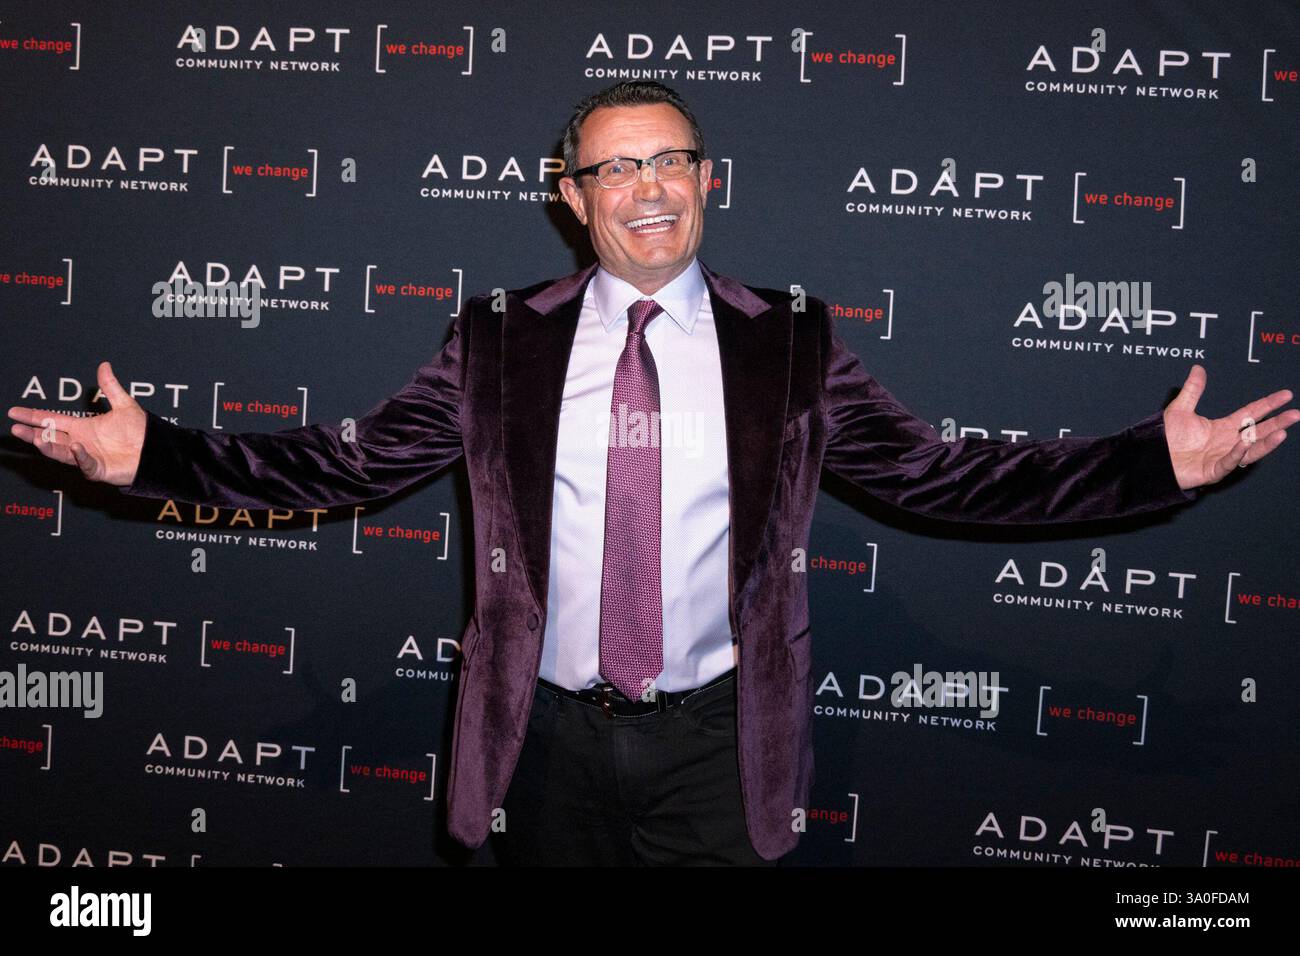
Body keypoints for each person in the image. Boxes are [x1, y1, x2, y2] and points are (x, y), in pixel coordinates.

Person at [7, 80, 1297, 866]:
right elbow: (339, 463)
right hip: (545, 744)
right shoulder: (496, 338)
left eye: (669, 158)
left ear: (705, 180)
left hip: (719, 747)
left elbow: (941, 480)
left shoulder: (787, 339)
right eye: (615, 166)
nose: (647, 186)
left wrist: (1149, 465)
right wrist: (155, 457)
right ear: (574, 198)